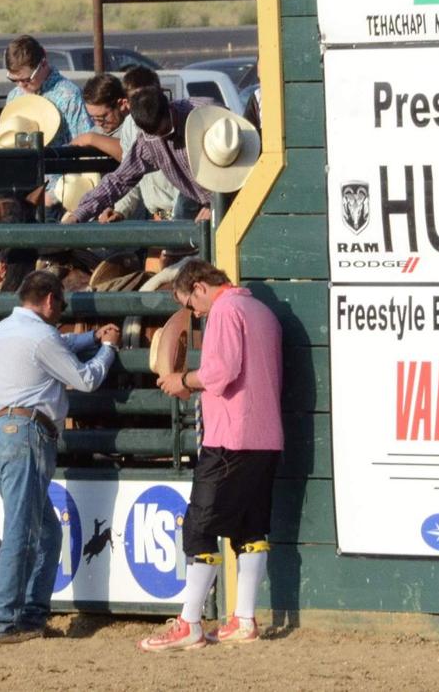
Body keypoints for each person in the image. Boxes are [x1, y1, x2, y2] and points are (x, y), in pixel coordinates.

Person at [138, 260, 283, 651]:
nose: (195, 313)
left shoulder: (225, 309)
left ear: (200, 287)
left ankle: (190, 623)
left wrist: (182, 380)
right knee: (251, 529)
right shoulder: (262, 311)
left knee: (198, 527)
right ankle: (243, 619)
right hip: (266, 436)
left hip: (230, 437)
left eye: (191, 303)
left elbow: (221, 372)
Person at [0, 270, 120, 646]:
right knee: (22, 532)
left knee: (43, 531)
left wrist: (91, 337)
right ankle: (2, 621)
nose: (61, 311)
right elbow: (86, 379)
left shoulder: (3, 330)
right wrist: (108, 348)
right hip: (26, 436)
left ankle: (29, 617)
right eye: (61, 304)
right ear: (48, 301)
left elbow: (59, 343)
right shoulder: (42, 337)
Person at [61, 85, 212, 225]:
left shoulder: (206, 113)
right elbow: (120, 179)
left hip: (214, 202)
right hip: (198, 208)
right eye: (153, 134)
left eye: (167, 130)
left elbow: (225, 160)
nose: (161, 138)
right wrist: (78, 215)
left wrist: (215, 203)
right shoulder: (149, 142)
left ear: (169, 109)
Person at [69, 72, 179, 222]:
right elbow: (128, 175)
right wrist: (120, 210)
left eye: (102, 117)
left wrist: (92, 139)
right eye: (94, 118)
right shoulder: (129, 126)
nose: (98, 123)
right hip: (158, 216)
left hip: (180, 215)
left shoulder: (174, 123)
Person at [3, 35, 91, 146]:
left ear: (43, 63)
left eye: (27, 80)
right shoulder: (14, 96)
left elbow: (84, 144)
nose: (21, 85)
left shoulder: (70, 96)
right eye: (14, 80)